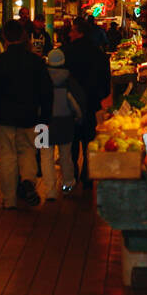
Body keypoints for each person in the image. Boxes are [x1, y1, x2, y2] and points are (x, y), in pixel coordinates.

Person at [0, 20, 51, 209]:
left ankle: (9, 199)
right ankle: (28, 181)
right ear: (22, 36)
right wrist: (45, 117)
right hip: (29, 116)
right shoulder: (36, 62)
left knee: (6, 157)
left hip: (2, 118)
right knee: (28, 151)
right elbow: (46, 92)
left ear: (4, 37)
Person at [64, 16, 111, 188]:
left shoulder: (66, 52)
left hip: (70, 102)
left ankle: (72, 173)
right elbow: (106, 80)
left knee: (72, 140)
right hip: (92, 101)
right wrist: (101, 95)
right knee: (90, 140)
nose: (69, 34)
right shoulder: (98, 53)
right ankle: (87, 175)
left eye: (72, 30)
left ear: (79, 33)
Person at [41, 48, 85, 199]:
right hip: (65, 122)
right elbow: (75, 104)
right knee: (66, 156)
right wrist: (79, 118)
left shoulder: (40, 79)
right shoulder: (68, 80)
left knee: (45, 156)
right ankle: (67, 184)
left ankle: (50, 191)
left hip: (43, 123)